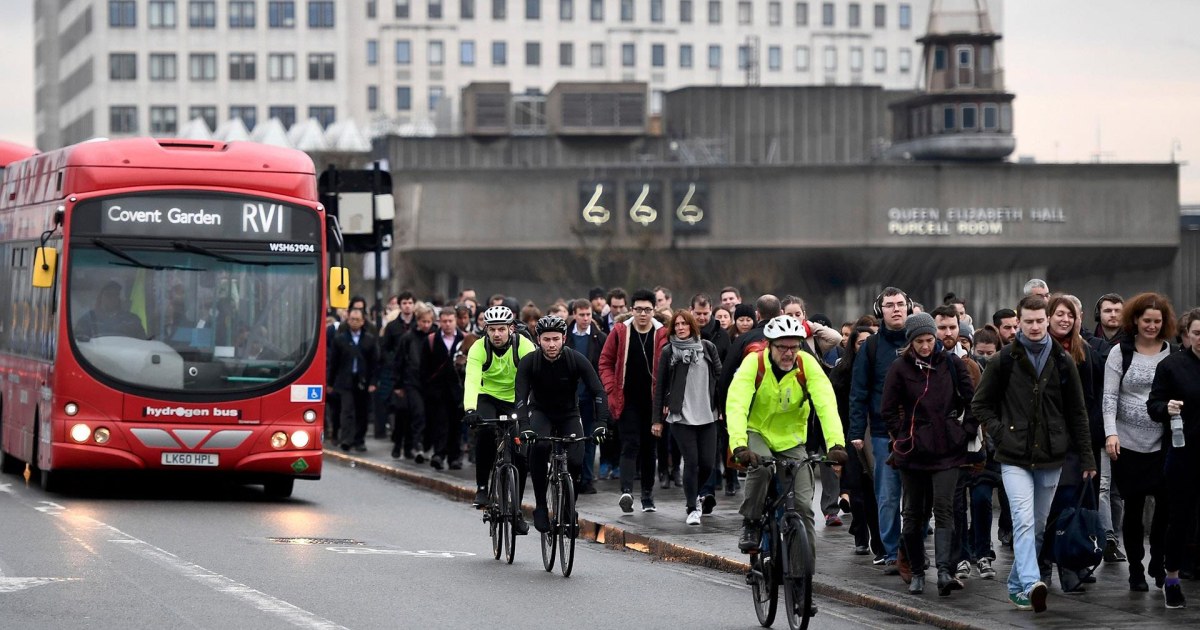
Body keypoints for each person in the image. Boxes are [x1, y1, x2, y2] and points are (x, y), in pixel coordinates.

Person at [971, 295, 1096, 613]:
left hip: (1052, 456)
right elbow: (980, 405)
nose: (1036, 326)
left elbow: (1077, 411)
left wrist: (1087, 457)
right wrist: (1001, 433)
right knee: (1024, 522)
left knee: (1039, 526)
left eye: (1040, 320)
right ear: (1020, 323)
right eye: (1029, 321)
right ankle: (1030, 583)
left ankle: (1016, 584)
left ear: (1047, 321)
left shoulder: (1062, 359)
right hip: (1014, 457)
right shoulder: (1004, 360)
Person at [727, 316, 848, 574]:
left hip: (792, 439)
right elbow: (736, 404)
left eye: (794, 347)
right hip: (756, 432)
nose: (789, 353)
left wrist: (836, 444)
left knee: (803, 508)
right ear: (770, 346)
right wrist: (739, 446)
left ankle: (803, 578)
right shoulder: (754, 363)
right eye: (782, 347)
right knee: (760, 469)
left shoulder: (807, 365)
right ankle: (751, 521)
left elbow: (826, 404)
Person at [882, 312, 978, 596]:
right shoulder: (900, 368)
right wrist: (902, 434)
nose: (926, 346)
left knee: (944, 509)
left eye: (929, 340)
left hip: (947, 447)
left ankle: (945, 571)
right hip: (913, 450)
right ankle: (918, 572)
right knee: (912, 513)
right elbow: (887, 408)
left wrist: (965, 431)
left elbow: (972, 400)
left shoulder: (950, 363)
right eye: (920, 341)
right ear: (910, 342)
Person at [1103, 292, 1176, 592]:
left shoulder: (1171, 352)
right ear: (1135, 320)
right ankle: (1135, 568)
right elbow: (1109, 397)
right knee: (1133, 510)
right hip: (1127, 444)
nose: (1152, 326)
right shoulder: (1121, 352)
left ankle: (1157, 561)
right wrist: (1111, 433)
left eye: (1157, 321)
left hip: (1162, 443)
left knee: (1164, 510)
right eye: (1147, 320)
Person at [516, 315, 611, 533]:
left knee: (577, 460)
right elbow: (520, 397)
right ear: (538, 339)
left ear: (564, 338)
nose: (551, 344)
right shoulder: (530, 361)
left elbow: (598, 391)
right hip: (540, 411)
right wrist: (524, 425)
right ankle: (541, 506)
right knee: (539, 446)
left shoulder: (575, 359)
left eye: (556, 339)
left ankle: (570, 508)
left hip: (569, 413)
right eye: (547, 339)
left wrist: (600, 422)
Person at [848, 287, 911, 574]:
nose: (896, 309)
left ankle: (912, 548)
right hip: (884, 432)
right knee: (886, 495)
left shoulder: (920, 339)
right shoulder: (872, 348)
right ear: (880, 311)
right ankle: (889, 550)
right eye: (890, 305)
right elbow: (858, 391)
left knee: (918, 497)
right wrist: (857, 431)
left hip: (918, 432)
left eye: (900, 304)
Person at [460, 305, 535, 534]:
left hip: (516, 398)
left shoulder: (524, 345)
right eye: (492, 330)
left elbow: (535, 378)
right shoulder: (478, 348)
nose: (497, 334)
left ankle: (517, 510)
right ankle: (482, 487)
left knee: (520, 455)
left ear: (511, 329)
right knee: (484, 432)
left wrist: (533, 410)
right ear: (486, 329)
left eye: (502, 329)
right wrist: (471, 409)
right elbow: (472, 381)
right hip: (488, 397)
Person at [1147, 307, 1200, 609]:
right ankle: (1172, 578)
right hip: (1183, 454)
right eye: (1197, 333)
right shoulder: (1172, 366)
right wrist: (1165, 408)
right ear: (1186, 334)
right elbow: (1153, 404)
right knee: (1179, 518)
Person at [599, 289, 668, 513]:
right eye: (638, 309)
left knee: (650, 448)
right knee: (630, 443)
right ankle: (626, 491)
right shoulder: (620, 331)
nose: (643, 314)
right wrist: (611, 388)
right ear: (631, 310)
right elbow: (605, 362)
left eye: (647, 310)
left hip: (653, 401)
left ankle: (647, 496)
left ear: (654, 311)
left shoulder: (662, 333)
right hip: (626, 399)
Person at [653, 309, 721, 524]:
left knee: (708, 463)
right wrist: (656, 419)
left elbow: (720, 379)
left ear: (692, 326)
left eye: (684, 324)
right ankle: (692, 506)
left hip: (708, 414)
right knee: (691, 462)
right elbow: (660, 385)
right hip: (681, 415)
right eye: (677, 325)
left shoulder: (708, 348)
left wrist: (724, 408)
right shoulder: (668, 351)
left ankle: (698, 494)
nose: (681, 328)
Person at [831, 325, 883, 559]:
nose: (866, 346)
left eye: (869, 342)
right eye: (861, 342)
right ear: (852, 345)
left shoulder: (879, 369)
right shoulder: (842, 370)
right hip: (847, 435)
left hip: (872, 434)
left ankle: (878, 541)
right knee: (857, 491)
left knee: (871, 491)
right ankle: (861, 536)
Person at [568, 298, 608, 494]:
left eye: (588, 315)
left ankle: (586, 478)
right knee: (571, 437)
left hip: (589, 396)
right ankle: (570, 477)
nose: (585, 319)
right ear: (574, 314)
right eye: (582, 315)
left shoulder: (599, 337)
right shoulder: (566, 336)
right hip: (570, 396)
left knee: (590, 438)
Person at [420, 308, 467, 470]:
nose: (447, 325)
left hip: (458, 390)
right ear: (439, 322)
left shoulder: (465, 339)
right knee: (440, 423)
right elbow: (424, 367)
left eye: (450, 321)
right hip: (437, 391)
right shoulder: (431, 340)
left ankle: (455, 457)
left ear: (456, 321)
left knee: (456, 424)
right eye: (444, 321)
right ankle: (439, 454)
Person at [328, 308, 379, 452]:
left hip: (363, 381)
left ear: (363, 322)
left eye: (357, 320)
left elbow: (375, 363)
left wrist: (374, 382)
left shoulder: (369, 339)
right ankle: (346, 439)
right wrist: (330, 382)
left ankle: (359, 440)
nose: (354, 322)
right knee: (347, 410)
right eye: (352, 319)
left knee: (362, 411)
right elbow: (334, 362)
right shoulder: (341, 339)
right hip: (345, 380)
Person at [76, 280, 147, 340]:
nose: (112, 298)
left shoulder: (132, 320)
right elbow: (79, 343)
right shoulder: (88, 319)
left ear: (119, 298)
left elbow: (143, 343)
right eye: (108, 294)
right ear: (100, 297)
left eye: (116, 295)